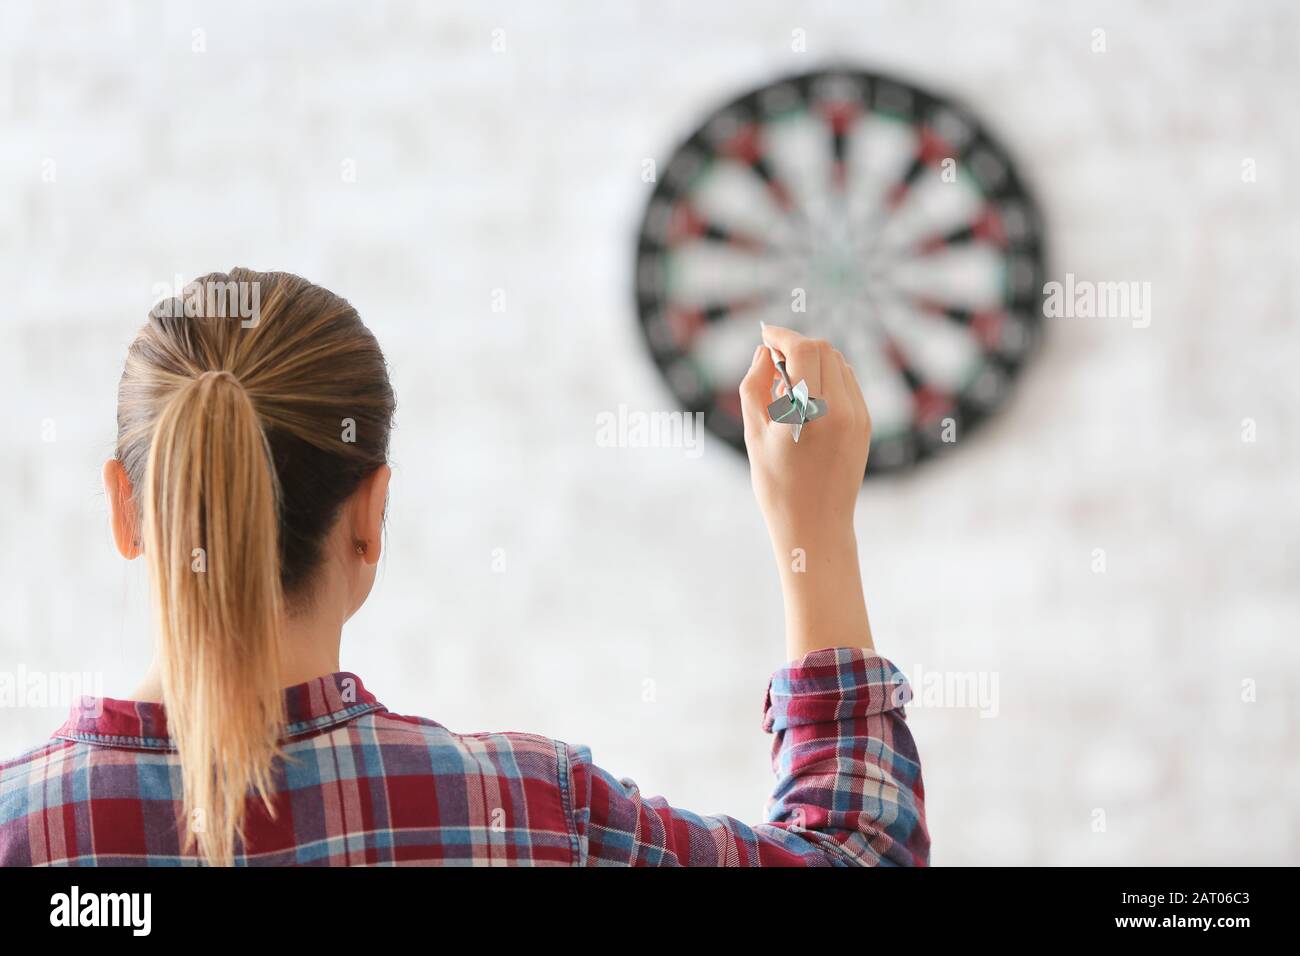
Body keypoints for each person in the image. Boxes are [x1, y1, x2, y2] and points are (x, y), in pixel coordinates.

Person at [0, 270, 928, 866]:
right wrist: (812, 527)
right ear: (371, 515)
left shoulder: (19, 830)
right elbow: (859, 854)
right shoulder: (523, 812)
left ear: (129, 510)